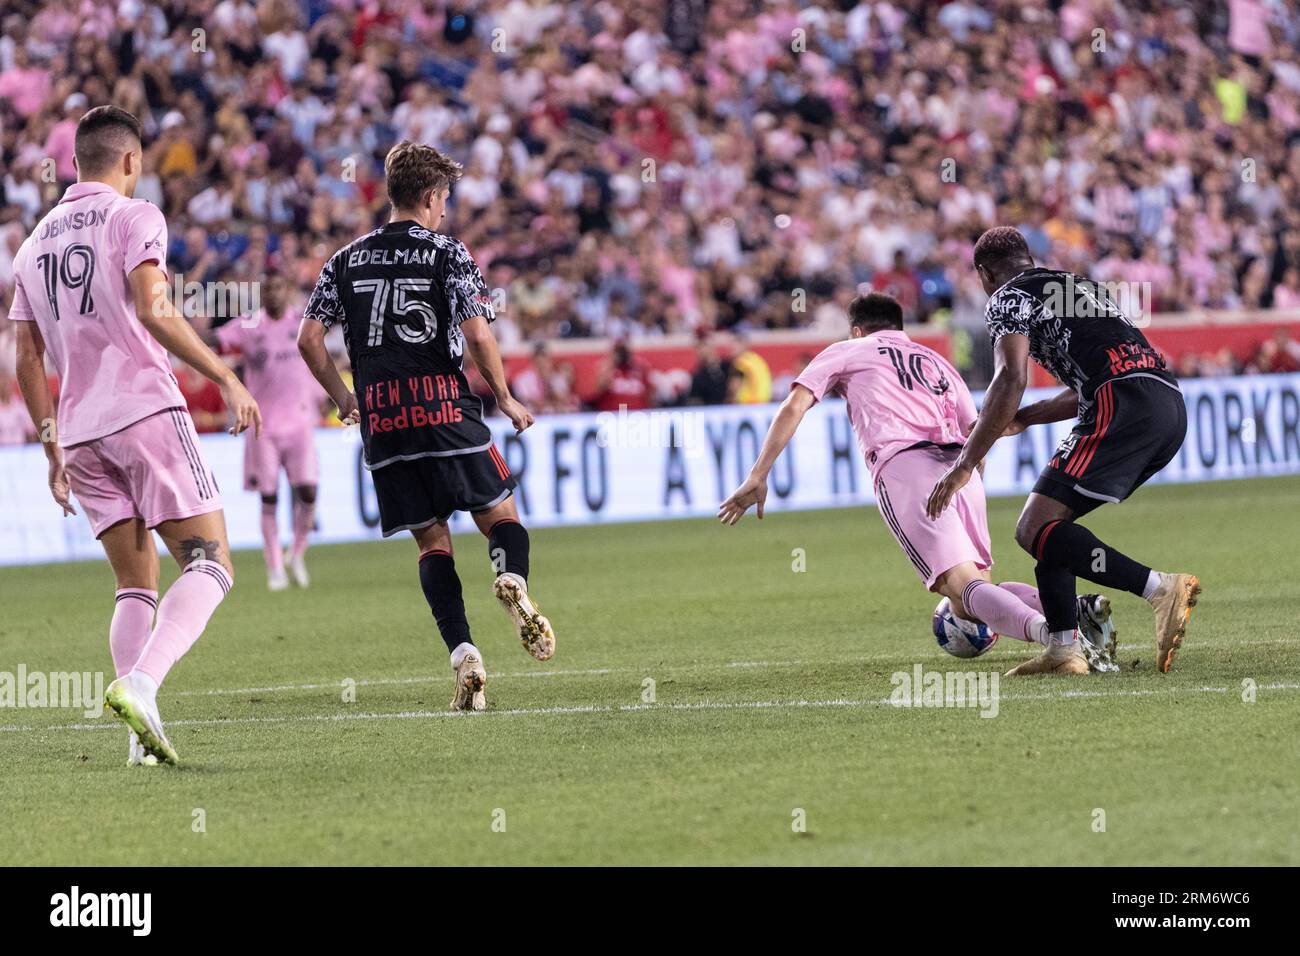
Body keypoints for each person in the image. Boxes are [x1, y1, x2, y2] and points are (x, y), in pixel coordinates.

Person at [10, 106, 261, 765]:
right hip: (144, 411)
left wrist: (51, 446)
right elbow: (154, 306)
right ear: (131, 161)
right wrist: (224, 374)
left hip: (82, 430)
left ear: (75, 163)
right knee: (211, 563)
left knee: (135, 585)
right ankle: (142, 686)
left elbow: (24, 357)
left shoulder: (32, 243)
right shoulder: (135, 215)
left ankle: (138, 742)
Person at [720, 293, 1116, 674]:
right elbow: (978, 427)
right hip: (962, 470)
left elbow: (795, 404)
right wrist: (972, 477)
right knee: (971, 596)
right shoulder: (938, 362)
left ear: (856, 331)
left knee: (961, 588)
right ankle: (1076, 609)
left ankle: (1059, 639)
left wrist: (758, 474)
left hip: (908, 469)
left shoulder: (847, 351)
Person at [298, 140, 555, 712]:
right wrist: (507, 397)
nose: (446, 211)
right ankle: (510, 578)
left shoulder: (344, 260)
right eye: (445, 199)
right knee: (501, 516)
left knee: (431, 541)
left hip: (385, 424)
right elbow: (481, 334)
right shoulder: (447, 253)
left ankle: (464, 653)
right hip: (443, 409)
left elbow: (308, 340)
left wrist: (345, 397)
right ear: (432, 196)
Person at [927, 226, 1199, 674]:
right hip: (1165, 404)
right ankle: (1063, 647)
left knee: (1033, 530)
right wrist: (1027, 418)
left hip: (1121, 404)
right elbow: (1084, 386)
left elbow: (1009, 378)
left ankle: (1159, 589)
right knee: (1048, 527)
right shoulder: (1079, 286)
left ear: (984, 273)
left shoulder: (1007, 297)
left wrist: (966, 462)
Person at [208, 271, 322, 590]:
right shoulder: (248, 326)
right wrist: (174, 329)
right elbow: (215, 340)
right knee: (269, 498)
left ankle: (297, 554)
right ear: (261, 293)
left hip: (301, 423)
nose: (273, 294)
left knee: (309, 493)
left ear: (288, 291)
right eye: (267, 288)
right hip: (264, 427)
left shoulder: (302, 320)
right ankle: (274, 567)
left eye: (279, 287)